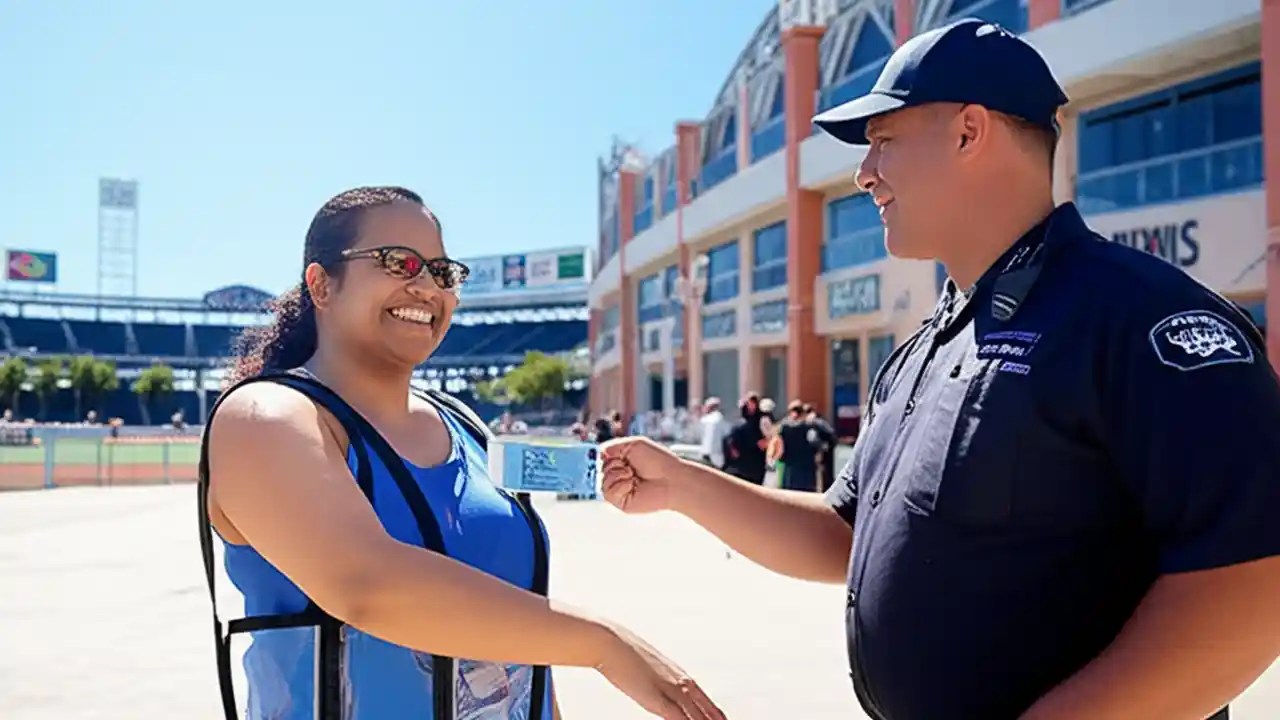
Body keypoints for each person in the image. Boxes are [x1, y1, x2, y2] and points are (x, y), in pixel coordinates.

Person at [600, 18, 1280, 720]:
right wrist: (683, 486)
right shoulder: (926, 349)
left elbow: (1254, 583)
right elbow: (845, 532)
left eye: (884, 142)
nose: (864, 174)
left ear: (968, 131)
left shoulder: (1139, 319)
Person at [199, 186, 724, 720]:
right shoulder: (266, 417)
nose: (426, 287)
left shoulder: (468, 428)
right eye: (398, 262)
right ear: (321, 284)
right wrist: (605, 643)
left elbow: (519, 636)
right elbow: (368, 587)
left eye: (442, 271)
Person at [697, 397, 732, 469]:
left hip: (705, 453)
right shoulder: (721, 419)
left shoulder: (704, 420)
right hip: (717, 456)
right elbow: (727, 434)